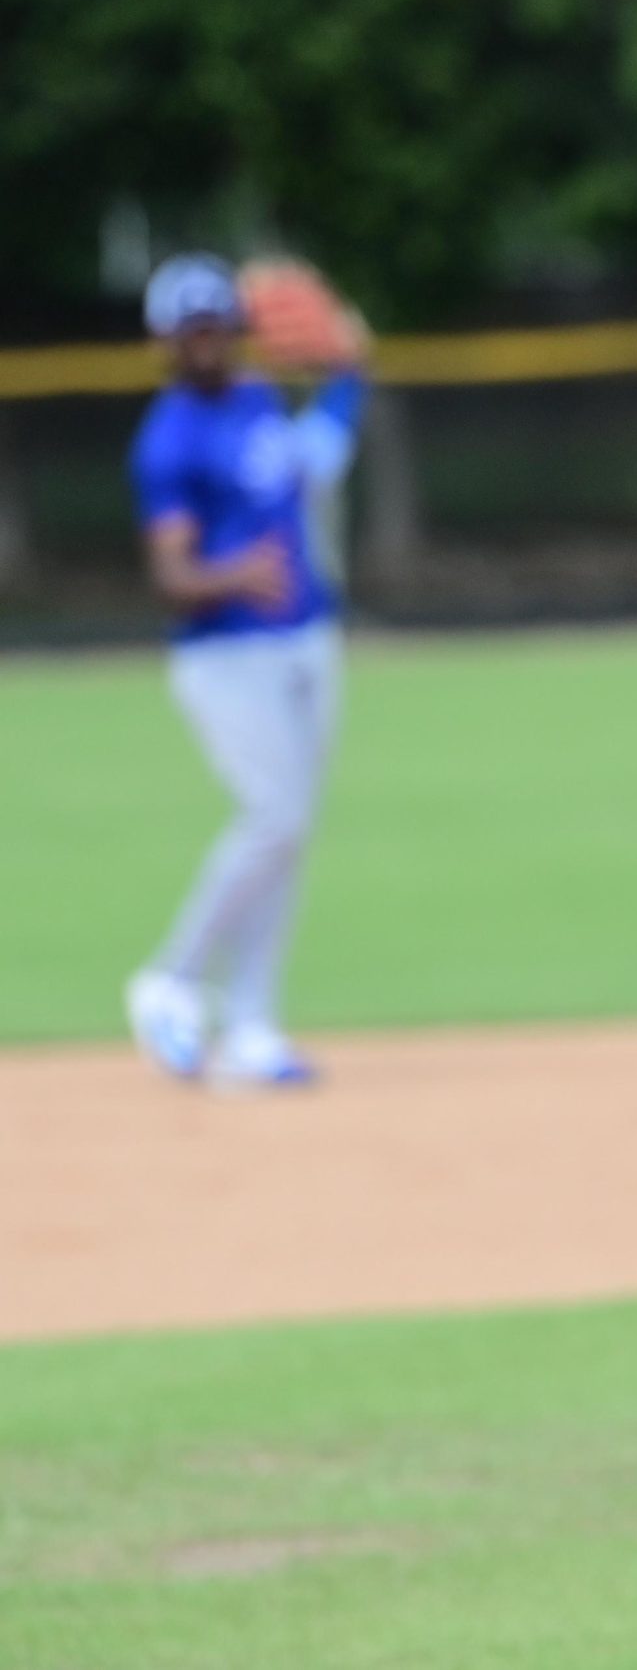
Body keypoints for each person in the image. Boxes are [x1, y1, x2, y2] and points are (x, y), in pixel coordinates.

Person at [122, 253, 365, 1089]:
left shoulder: (261, 400)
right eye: (190, 329)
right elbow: (169, 578)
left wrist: (350, 375)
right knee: (274, 816)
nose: (207, 340)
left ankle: (253, 1025)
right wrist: (235, 576)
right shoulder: (169, 441)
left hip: (305, 642)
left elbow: (317, 463)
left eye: (217, 323)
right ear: (165, 340)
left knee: (288, 836)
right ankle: (170, 978)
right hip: (227, 657)